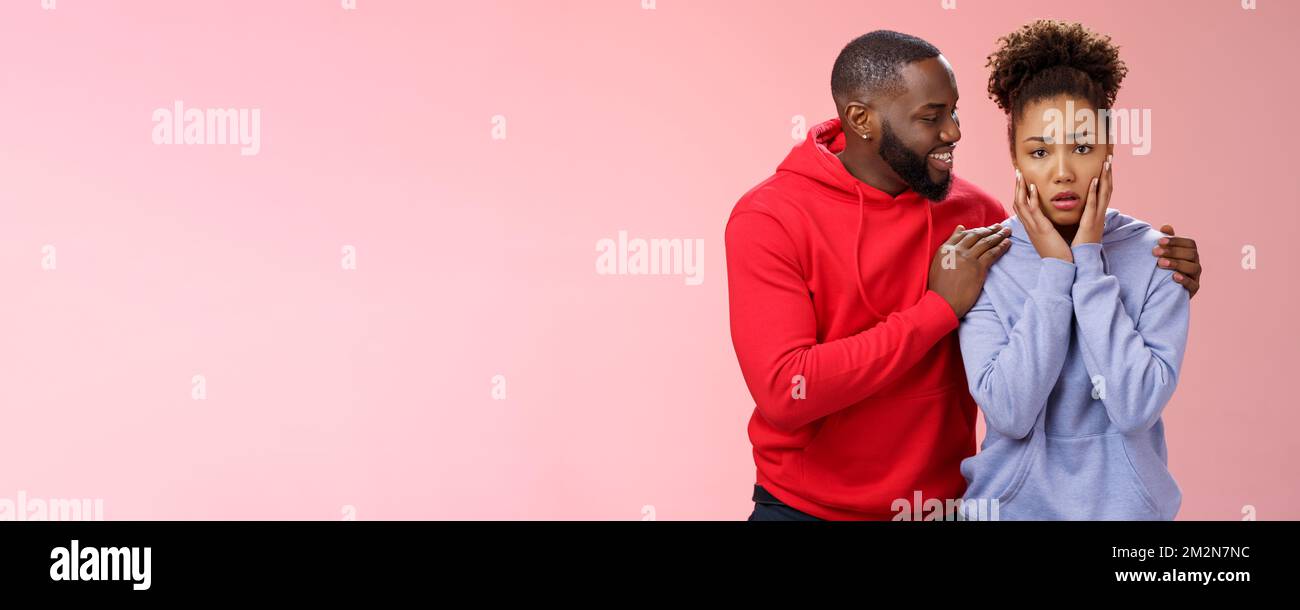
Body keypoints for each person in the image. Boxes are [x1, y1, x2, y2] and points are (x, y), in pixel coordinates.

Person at [725, 30, 1202, 521]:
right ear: (862, 119)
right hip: (805, 510)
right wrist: (936, 310)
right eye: (931, 118)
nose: (953, 133)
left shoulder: (977, 218)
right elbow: (787, 389)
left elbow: (1120, 375)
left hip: (942, 507)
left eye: (954, 113)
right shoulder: (770, 217)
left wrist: (1158, 266)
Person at [957, 20, 1188, 520]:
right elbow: (1011, 413)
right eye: (1039, 151)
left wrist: (1087, 259)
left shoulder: (1157, 257)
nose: (1062, 171)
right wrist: (1057, 273)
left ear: (1109, 150)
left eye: (1082, 148)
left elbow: (1133, 407)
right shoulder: (986, 259)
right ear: (1014, 158)